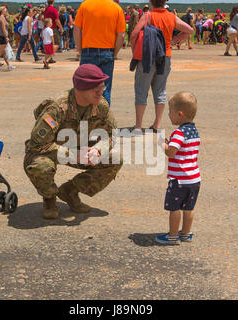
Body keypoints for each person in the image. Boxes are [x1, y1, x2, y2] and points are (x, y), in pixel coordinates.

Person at [23, 64, 122, 219]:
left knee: (115, 159)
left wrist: (98, 150)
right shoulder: (57, 108)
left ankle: (69, 191)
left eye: (102, 87)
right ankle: (49, 197)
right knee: (40, 167)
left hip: (81, 151)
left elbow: (111, 135)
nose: (101, 92)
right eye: (95, 88)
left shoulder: (101, 106)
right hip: (48, 152)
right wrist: (73, 154)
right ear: (81, 89)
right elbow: (37, 145)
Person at [129, 0, 193, 133]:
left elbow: (134, 34)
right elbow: (189, 30)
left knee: (141, 90)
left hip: (147, 57)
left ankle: (138, 126)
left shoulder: (148, 15)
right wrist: (172, 42)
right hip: (165, 56)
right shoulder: (171, 16)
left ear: (151, 2)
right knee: (160, 90)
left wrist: (135, 51)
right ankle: (157, 125)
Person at [155, 92, 201, 245]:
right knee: (189, 207)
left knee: (174, 208)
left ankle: (173, 236)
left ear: (180, 114)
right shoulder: (194, 131)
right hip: (194, 179)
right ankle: (186, 234)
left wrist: (162, 143)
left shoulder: (179, 132)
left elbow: (171, 152)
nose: (169, 115)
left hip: (180, 179)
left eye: (170, 112)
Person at [73, 0, 126, 106]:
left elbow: (76, 29)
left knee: (85, 89)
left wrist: (80, 50)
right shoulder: (116, 8)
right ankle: (103, 120)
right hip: (107, 52)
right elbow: (121, 35)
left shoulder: (84, 5)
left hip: (88, 51)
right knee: (104, 89)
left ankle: (85, 121)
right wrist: (115, 53)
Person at [0, 6, 14, 71]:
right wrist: (6, 37)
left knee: (4, 53)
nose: (7, 12)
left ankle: (9, 65)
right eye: (6, 11)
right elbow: (4, 28)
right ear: (2, 11)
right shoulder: (2, 18)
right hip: (2, 37)